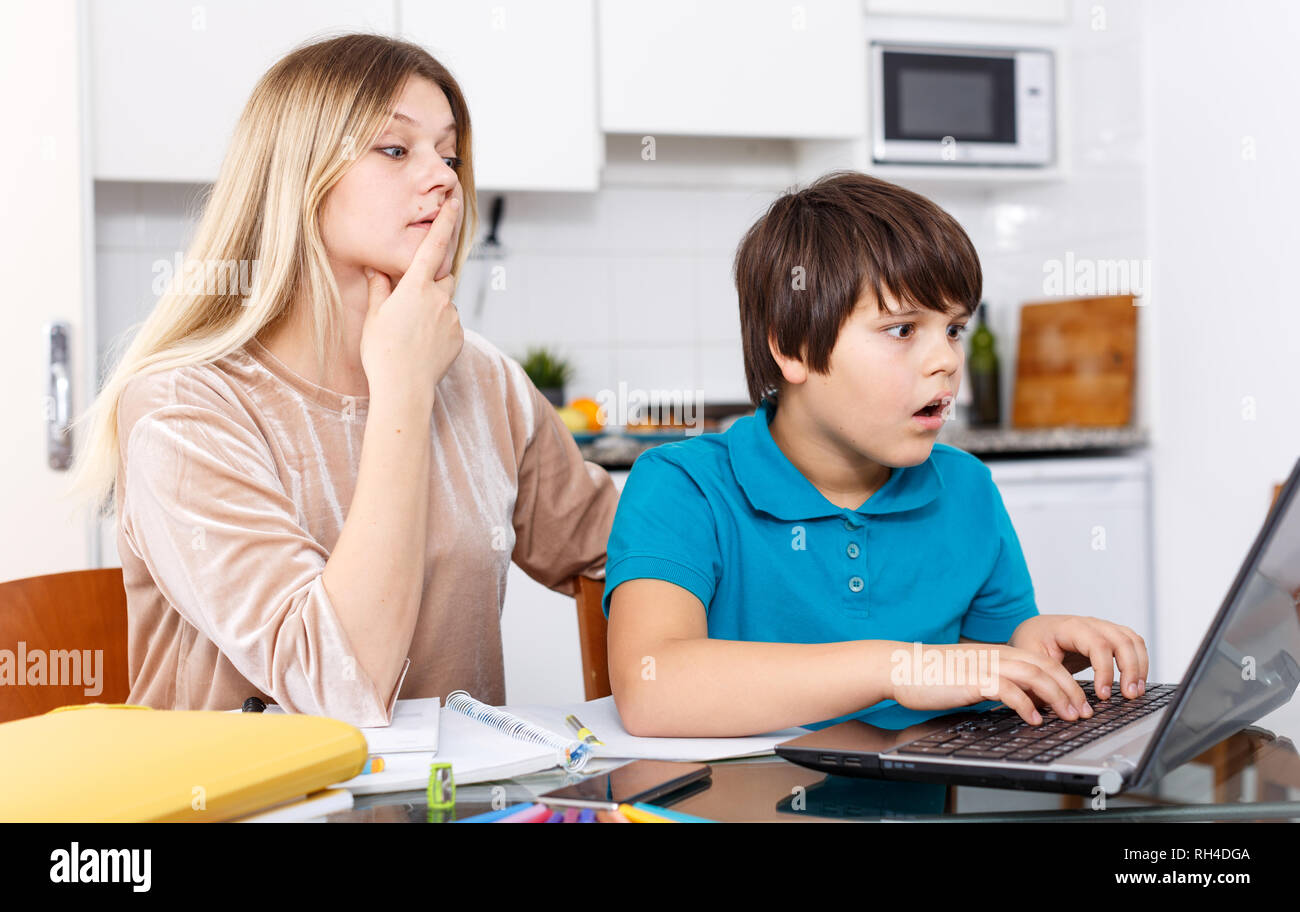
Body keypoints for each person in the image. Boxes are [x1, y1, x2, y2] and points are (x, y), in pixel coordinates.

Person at [68, 34, 617, 726]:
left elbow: (626, 547)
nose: (444, 178)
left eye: (449, 155)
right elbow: (338, 686)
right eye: (395, 149)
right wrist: (405, 391)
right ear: (298, 175)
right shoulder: (184, 411)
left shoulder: (483, 380)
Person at [603, 171, 1149, 737]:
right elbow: (651, 687)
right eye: (903, 329)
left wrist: (1026, 647)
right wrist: (900, 666)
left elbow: (978, 663)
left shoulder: (966, 489)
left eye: (954, 329)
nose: (947, 360)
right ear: (791, 348)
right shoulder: (683, 486)